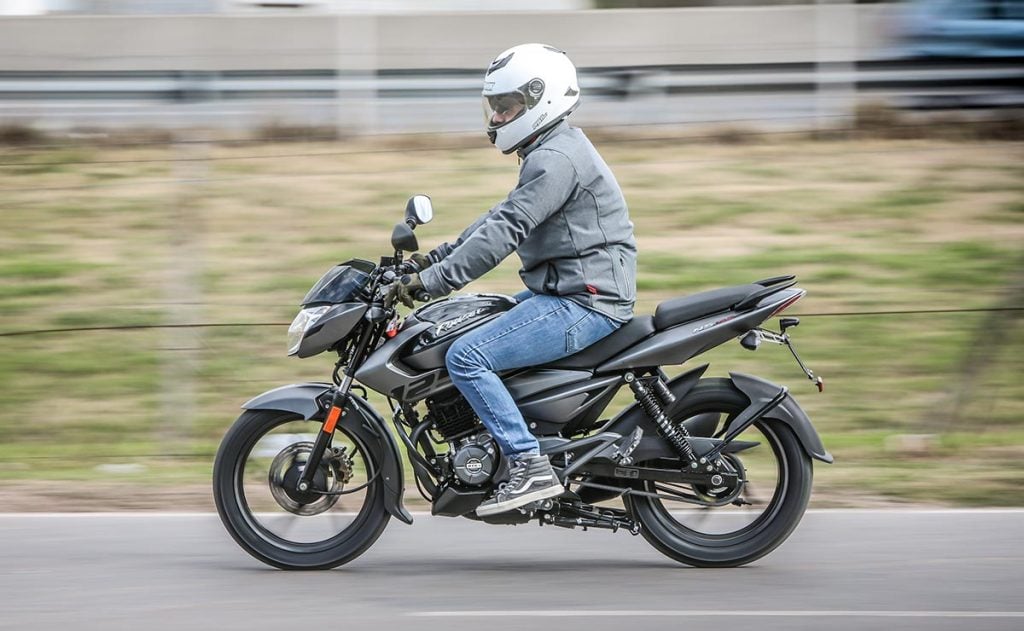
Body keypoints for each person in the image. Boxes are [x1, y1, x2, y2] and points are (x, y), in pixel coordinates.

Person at [389, 43, 637, 517]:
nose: (498, 118)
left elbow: (506, 232)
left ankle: (529, 464)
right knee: (473, 316)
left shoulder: (555, 159)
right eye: (496, 107)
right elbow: (497, 218)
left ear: (539, 100)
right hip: (567, 287)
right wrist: (431, 262)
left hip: (586, 300)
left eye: (507, 107)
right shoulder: (550, 150)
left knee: (467, 355)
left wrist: (435, 281)